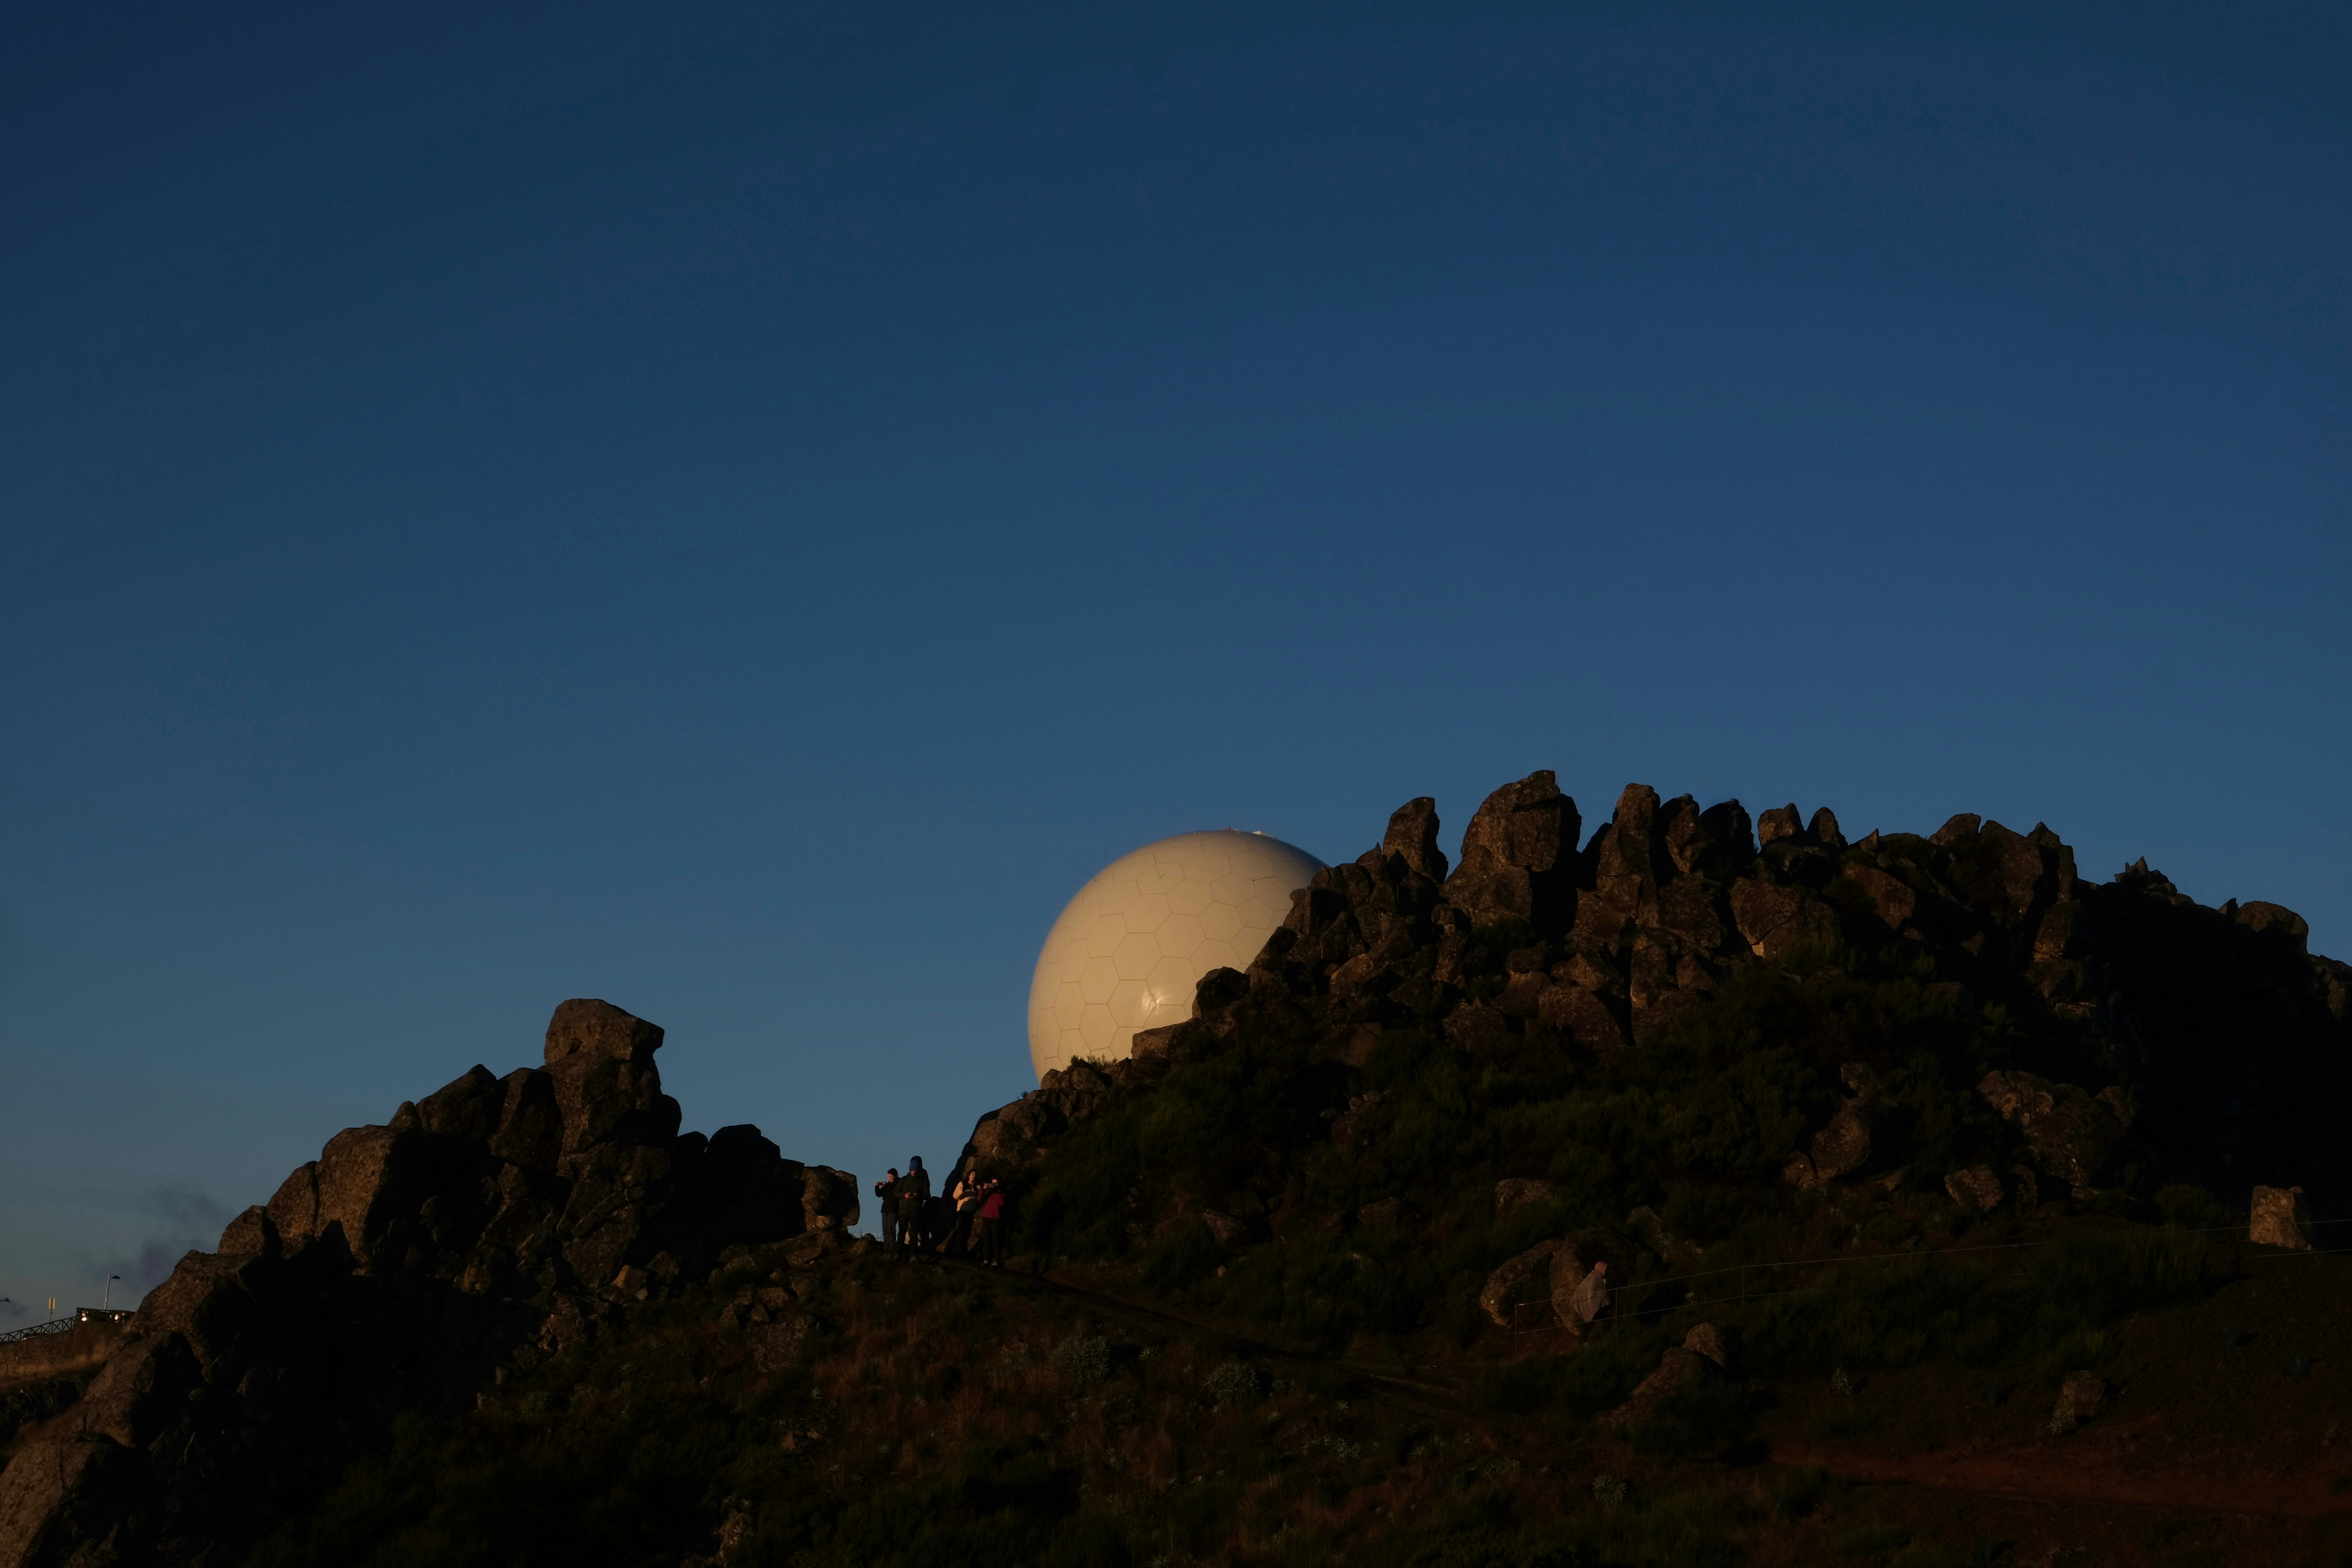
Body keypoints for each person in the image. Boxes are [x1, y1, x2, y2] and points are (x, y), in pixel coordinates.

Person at [941, 1163, 982, 1256]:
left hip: (971, 1211)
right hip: (962, 1211)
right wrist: (963, 1192)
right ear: (969, 1176)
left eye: (975, 1175)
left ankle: (964, 1251)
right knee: (961, 1231)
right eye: (972, 1175)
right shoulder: (962, 1184)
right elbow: (955, 1196)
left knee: (967, 1232)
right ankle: (957, 1251)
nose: (974, 1177)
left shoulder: (976, 1187)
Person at [897, 1155, 931, 1254]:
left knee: (911, 1231)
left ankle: (910, 1249)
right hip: (913, 1207)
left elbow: (926, 1192)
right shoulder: (916, 1176)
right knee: (912, 1231)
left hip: (914, 1208)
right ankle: (913, 1249)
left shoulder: (920, 1176)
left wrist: (918, 1196)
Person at [975, 1178, 1007, 1268]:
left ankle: (997, 1260)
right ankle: (986, 1260)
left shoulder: (1001, 1193)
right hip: (986, 1218)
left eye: (996, 1183)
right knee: (987, 1240)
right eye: (993, 1183)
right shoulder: (988, 1192)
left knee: (995, 1240)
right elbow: (980, 1199)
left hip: (995, 1219)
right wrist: (983, 1189)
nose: (994, 1185)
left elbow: (1002, 1204)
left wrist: (998, 1192)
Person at [874, 1168, 901, 1248]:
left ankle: (892, 1247)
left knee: (891, 1229)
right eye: (889, 1177)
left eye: (891, 1177)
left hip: (894, 1209)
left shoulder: (898, 1184)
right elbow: (879, 1195)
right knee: (885, 1230)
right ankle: (886, 1246)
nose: (889, 1179)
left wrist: (887, 1186)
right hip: (885, 1209)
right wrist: (877, 1187)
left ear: (895, 1176)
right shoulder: (888, 1185)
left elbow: (894, 1194)